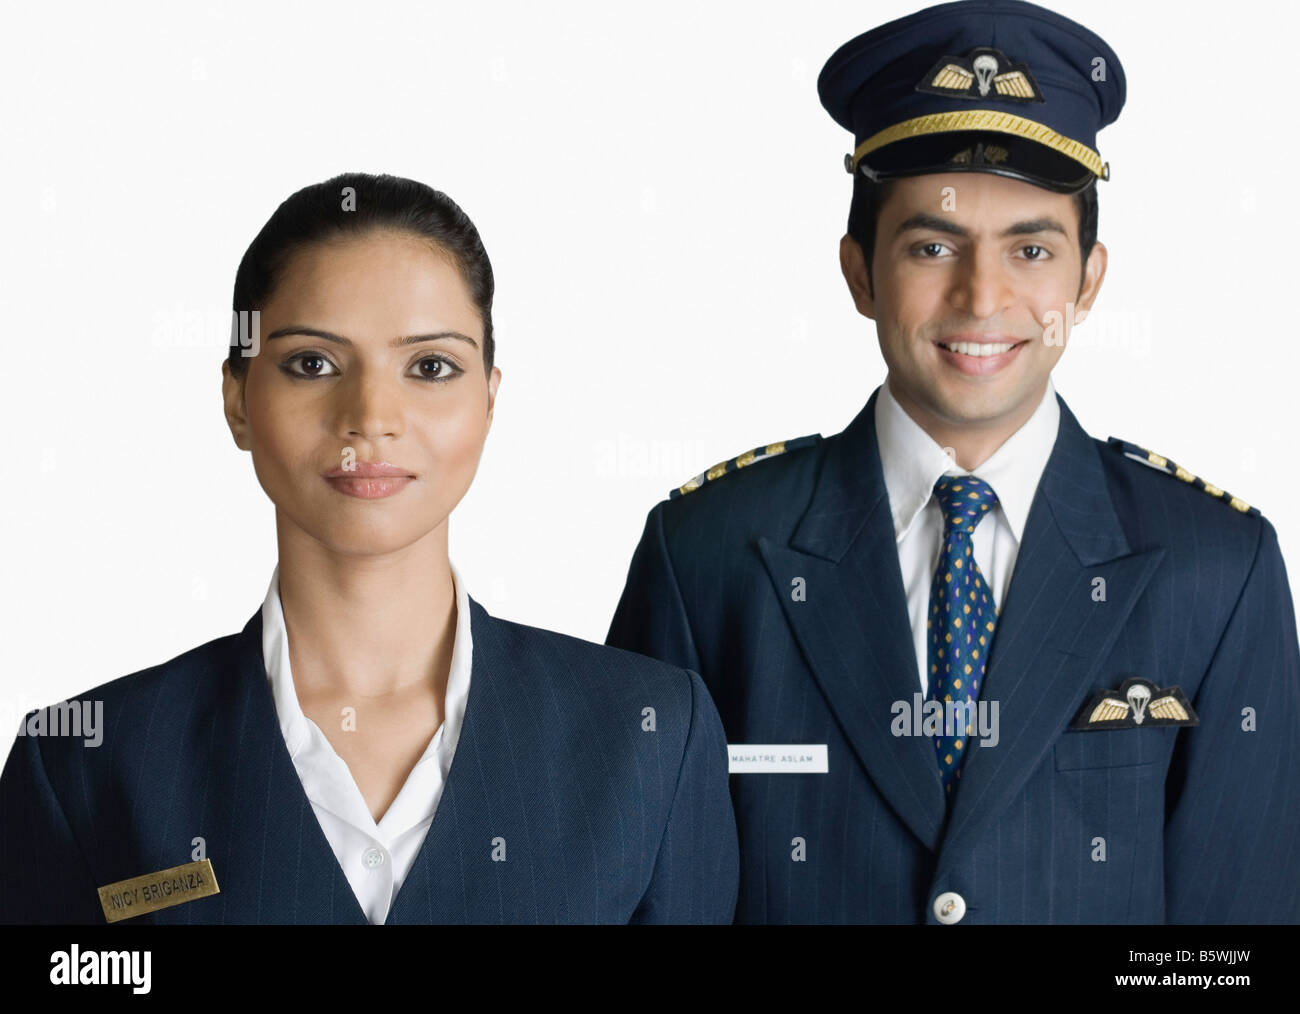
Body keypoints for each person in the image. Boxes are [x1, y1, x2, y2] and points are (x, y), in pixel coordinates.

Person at [607, 0, 1300, 924]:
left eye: (1031, 248)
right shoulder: (707, 556)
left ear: (1088, 280)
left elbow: (1230, 948)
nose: (983, 297)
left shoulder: (1217, 568)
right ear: (859, 271)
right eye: (933, 246)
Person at [0, 172, 738, 925]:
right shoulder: (86, 766)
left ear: (489, 399)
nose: (371, 418)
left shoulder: (650, 739)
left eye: (430, 367)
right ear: (237, 402)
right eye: (312, 363)